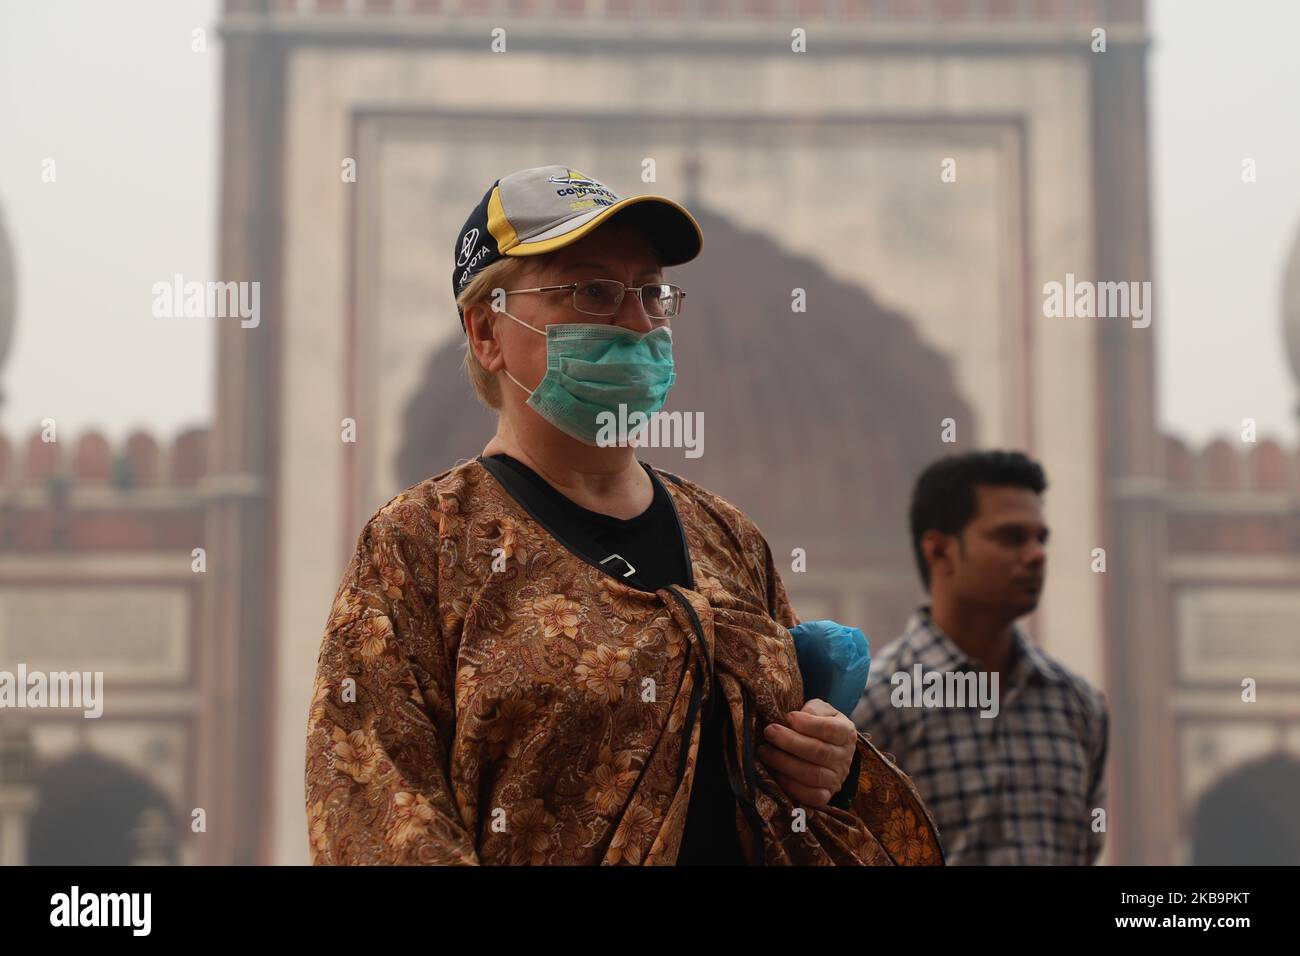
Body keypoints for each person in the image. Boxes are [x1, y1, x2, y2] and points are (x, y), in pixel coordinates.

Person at [304, 164, 943, 865]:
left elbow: (787, 796)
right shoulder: (424, 544)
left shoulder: (726, 536)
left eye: (651, 293)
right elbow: (373, 809)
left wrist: (834, 763)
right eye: (592, 291)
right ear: (487, 330)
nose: (637, 322)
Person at [851, 450, 1109, 864]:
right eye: (1011, 538)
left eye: (1040, 538)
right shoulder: (876, 705)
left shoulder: (1077, 704)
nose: (1036, 555)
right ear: (940, 552)